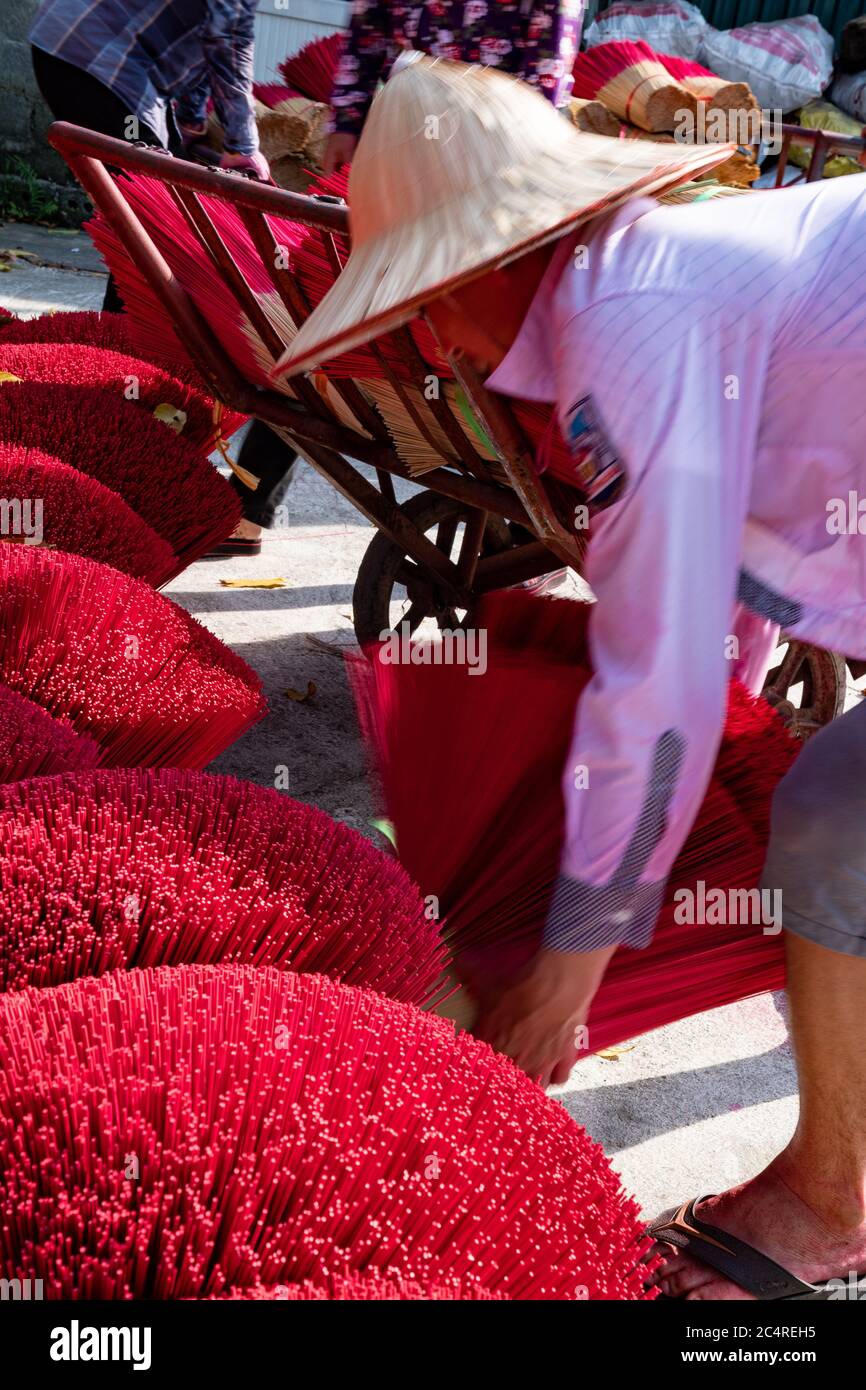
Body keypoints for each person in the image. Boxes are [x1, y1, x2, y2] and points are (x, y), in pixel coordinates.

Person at [274, 56, 866, 1301]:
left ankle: (828, 1204)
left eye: (421, 306)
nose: (433, 343)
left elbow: (657, 681)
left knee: (835, 821)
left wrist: (567, 965)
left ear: (484, 263)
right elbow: (707, 620)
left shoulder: (627, 326)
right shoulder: (645, 282)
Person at [29, 0, 271, 547]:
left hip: (70, 48)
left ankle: (119, 389)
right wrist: (243, 146)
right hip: (99, 60)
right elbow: (228, 35)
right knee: (150, 223)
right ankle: (118, 400)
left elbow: (189, 42)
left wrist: (187, 123)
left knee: (142, 221)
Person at [324, 0, 585, 172]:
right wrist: (346, 125)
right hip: (411, 128)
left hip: (504, 137)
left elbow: (548, 63)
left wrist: (521, 150)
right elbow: (366, 33)